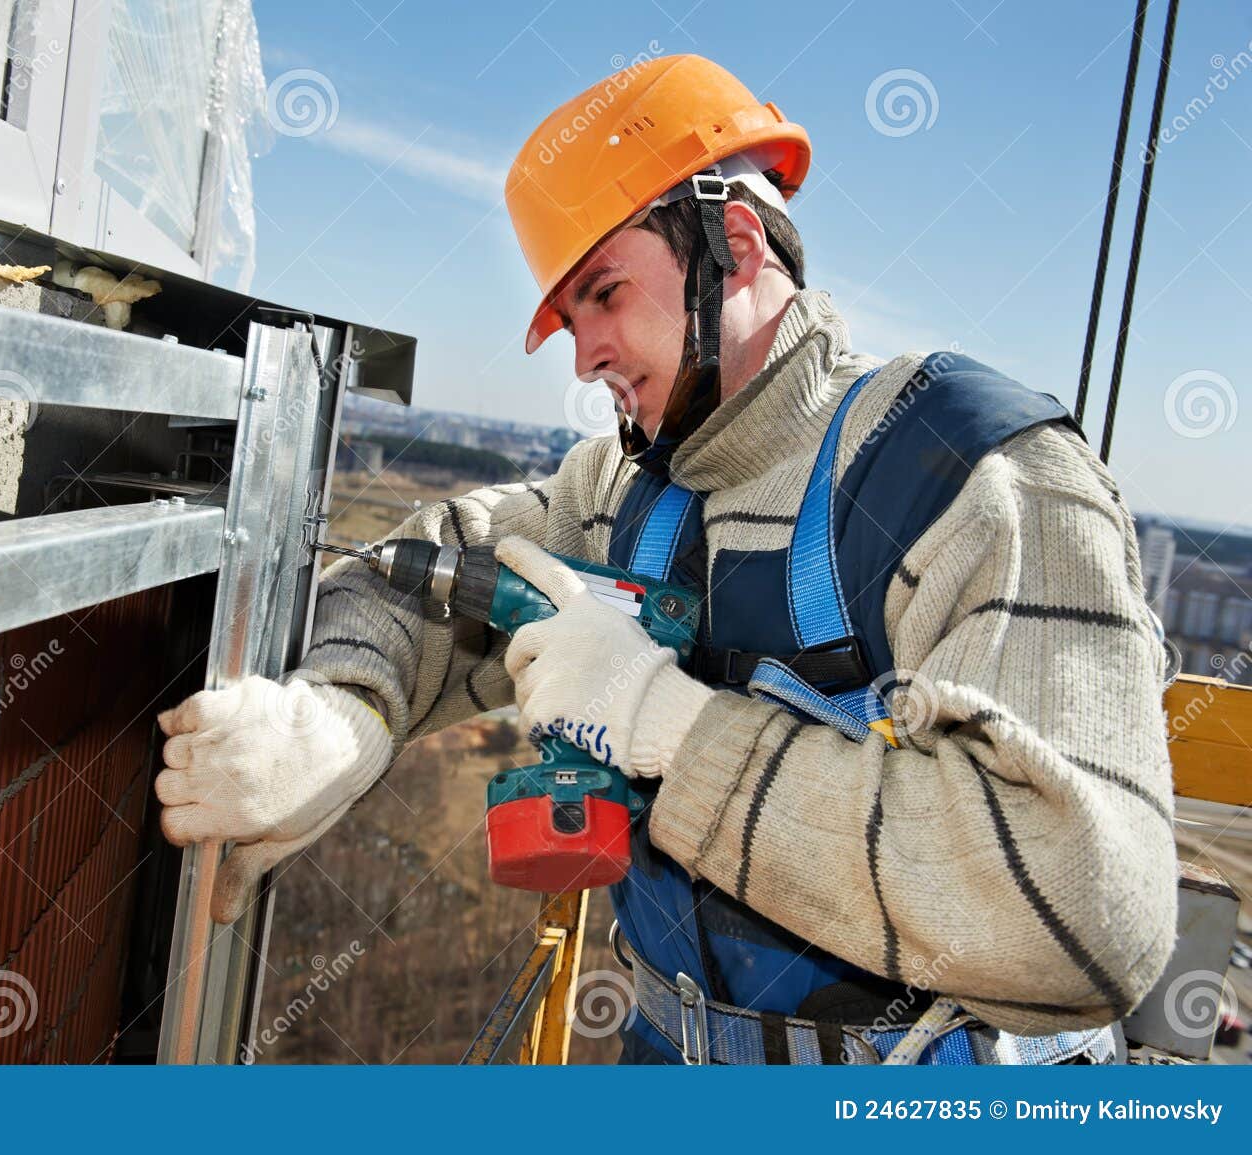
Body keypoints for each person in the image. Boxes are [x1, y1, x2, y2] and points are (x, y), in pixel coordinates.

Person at [154, 55, 1177, 1065]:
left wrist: (670, 730)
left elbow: (1090, 915)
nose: (584, 353)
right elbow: (415, 579)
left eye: (604, 293)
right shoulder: (624, 492)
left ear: (733, 245)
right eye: (570, 316)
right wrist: (342, 718)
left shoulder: (974, 477)